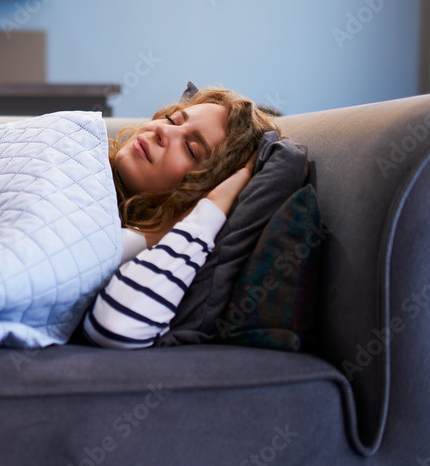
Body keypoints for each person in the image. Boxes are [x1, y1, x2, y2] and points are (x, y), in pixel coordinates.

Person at [81, 85, 281, 349]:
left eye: (190, 148)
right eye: (172, 120)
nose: (163, 131)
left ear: (204, 187)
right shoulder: (80, 163)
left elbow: (115, 323)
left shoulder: (147, 247)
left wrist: (211, 207)